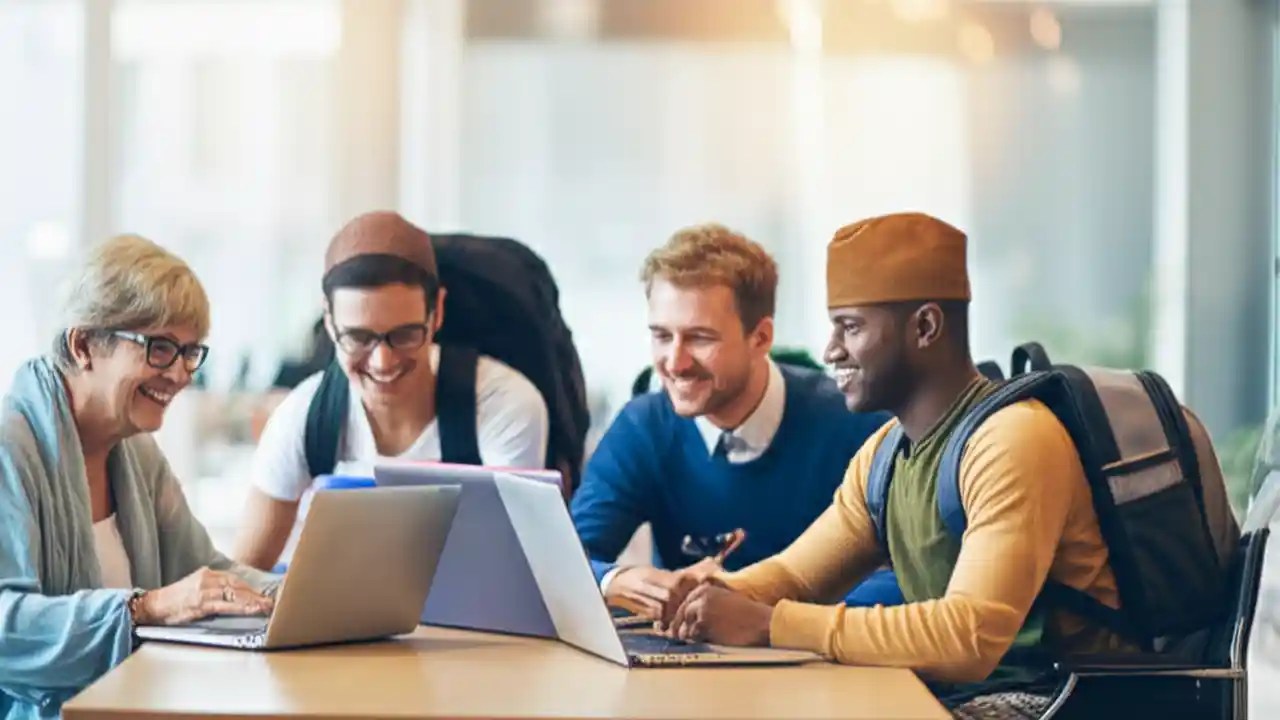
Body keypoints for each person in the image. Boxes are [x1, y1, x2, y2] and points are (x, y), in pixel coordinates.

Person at [660, 212, 1129, 690]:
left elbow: (967, 640)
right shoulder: (886, 453)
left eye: (851, 328)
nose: (830, 351)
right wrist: (711, 593)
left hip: (1064, 701)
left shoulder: (1012, 439)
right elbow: (798, 577)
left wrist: (770, 624)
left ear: (925, 327)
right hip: (977, 694)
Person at [0, 235, 277, 720]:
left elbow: (204, 570)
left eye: (190, 351)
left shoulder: (136, 452)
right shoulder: (10, 448)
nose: (180, 374)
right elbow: (7, 627)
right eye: (160, 348)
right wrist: (141, 609)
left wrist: (295, 597)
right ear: (83, 344)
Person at [570, 223, 892, 619]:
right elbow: (564, 560)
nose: (674, 363)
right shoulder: (644, 427)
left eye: (700, 338)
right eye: (661, 336)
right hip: (691, 663)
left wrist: (773, 614)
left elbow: (911, 577)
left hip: (824, 662)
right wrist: (611, 580)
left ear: (760, 338)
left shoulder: (859, 425)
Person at [234, 211, 549, 570]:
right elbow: (244, 574)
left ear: (438, 312)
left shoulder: (503, 406)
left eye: (404, 335)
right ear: (329, 320)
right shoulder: (306, 416)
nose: (383, 362)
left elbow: (511, 569)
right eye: (358, 337)